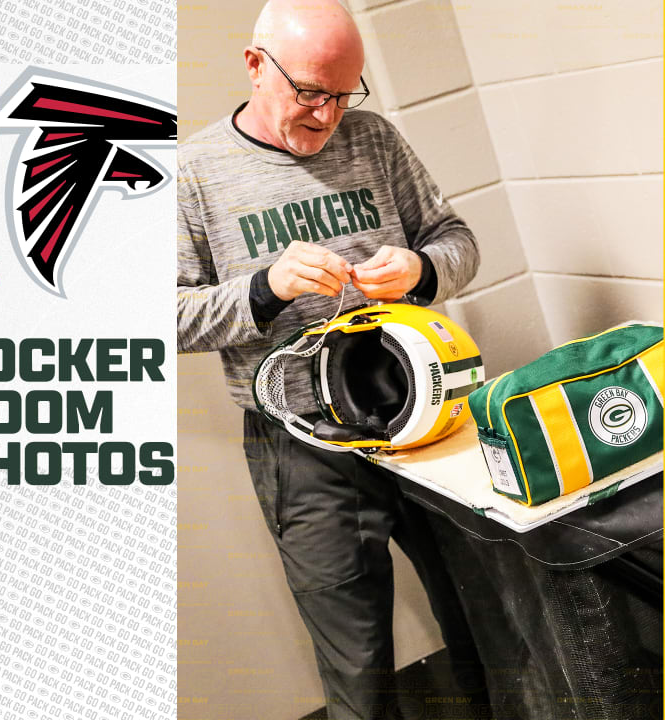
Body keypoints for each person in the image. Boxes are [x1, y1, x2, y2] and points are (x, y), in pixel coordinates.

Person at [176, 1, 486, 717]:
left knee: (484, 609)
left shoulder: (374, 139)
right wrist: (263, 290)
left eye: (344, 94)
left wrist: (420, 269)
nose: (327, 116)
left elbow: (458, 239)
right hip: (305, 448)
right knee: (360, 667)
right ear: (256, 66)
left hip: (426, 412)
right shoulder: (193, 173)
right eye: (310, 93)